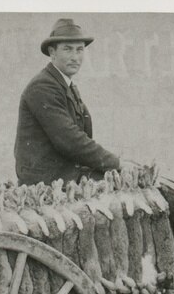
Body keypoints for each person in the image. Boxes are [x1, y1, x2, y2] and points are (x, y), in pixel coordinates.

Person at [14, 18, 122, 186]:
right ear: (52, 52)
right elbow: (70, 141)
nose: (75, 57)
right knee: (119, 184)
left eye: (79, 50)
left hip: (65, 172)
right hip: (45, 181)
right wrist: (117, 164)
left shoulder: (65, 85)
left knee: (129, 179)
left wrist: (116, 164)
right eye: (67, 49)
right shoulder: (43, 86)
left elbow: (81, 137)